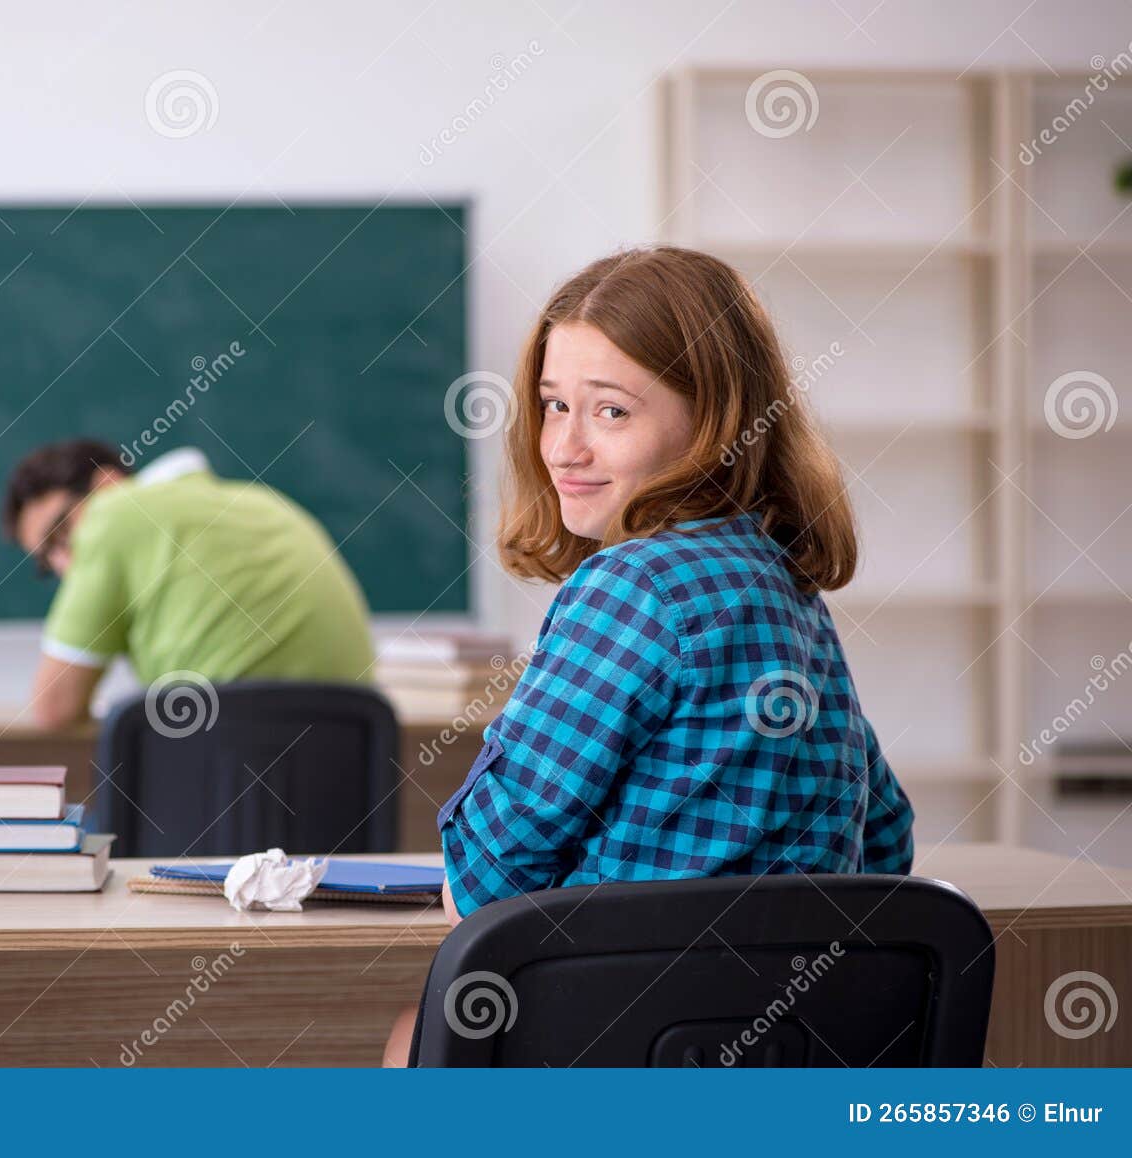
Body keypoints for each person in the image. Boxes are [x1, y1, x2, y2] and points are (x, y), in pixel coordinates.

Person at [383, 246, 914, 1066]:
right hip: (784, 1059)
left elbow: (489, 873)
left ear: (717, 423)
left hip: (614, 1051)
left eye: (612, 412)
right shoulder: (787, 587)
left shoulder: (632, 585)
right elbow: (885, 842)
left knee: (415, 1034)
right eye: (554, 406)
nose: (564, 448)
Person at [1, 441, 375, 727]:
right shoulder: (266, 502)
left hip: (218, 778)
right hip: (348, 788)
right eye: (47, 561)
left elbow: (55, 708)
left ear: (108, 483)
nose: (67, 563)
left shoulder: (114, 515)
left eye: (61, 531)